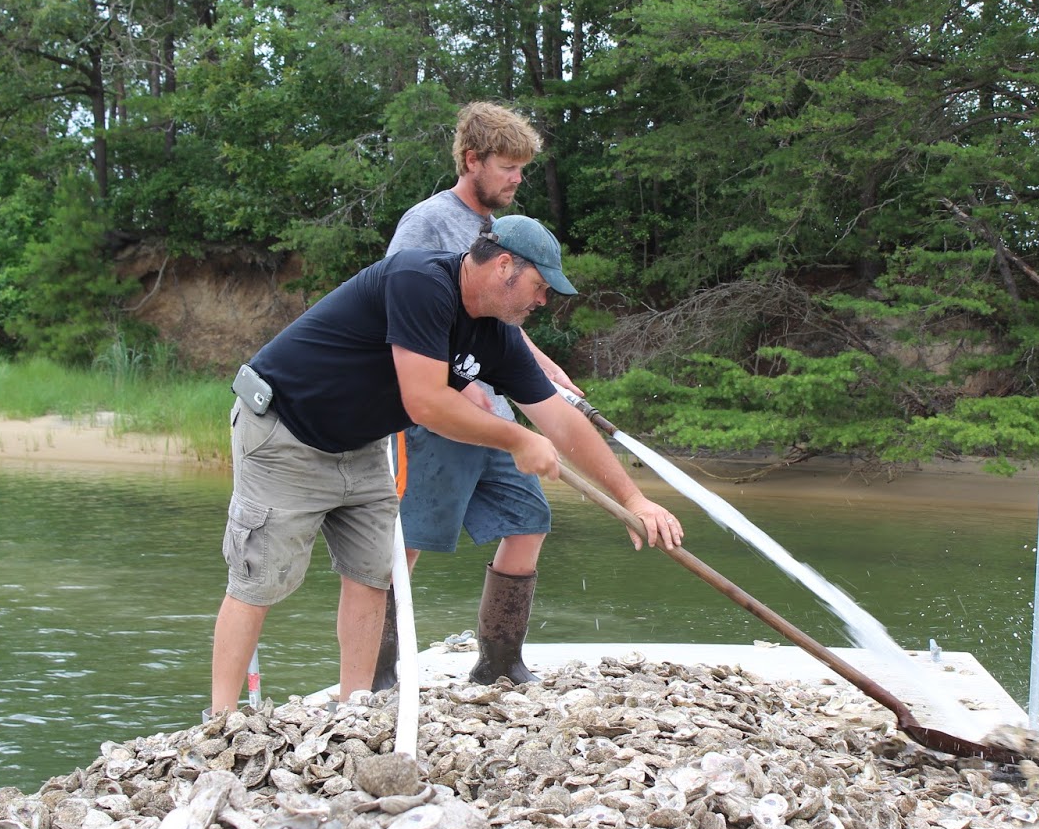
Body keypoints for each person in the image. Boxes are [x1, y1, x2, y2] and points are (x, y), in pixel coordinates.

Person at [208, 215, 683, 714]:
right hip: (285, 429)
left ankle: (353, 711)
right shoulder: (420, 282)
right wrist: (517, 438)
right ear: (504, 267)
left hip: (362, 443)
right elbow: (425, 403)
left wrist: (634, 499)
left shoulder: (499, 338)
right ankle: (218, 724)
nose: (542, 302)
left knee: (373, 576)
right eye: (540, 287)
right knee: (260, 578)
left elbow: (560, 421)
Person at [373, 102, 580, 688]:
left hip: (495, 409)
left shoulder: (502, 232)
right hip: (432, 412)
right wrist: (460, 392)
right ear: (472, 161)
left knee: (528, 518)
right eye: (509, 167)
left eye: (522, 169)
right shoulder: (427, 224)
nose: (518, 179)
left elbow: (505, 327)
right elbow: (403, 319)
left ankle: (499, 663)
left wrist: (545, 371)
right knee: (407, 540)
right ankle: (381, 671)